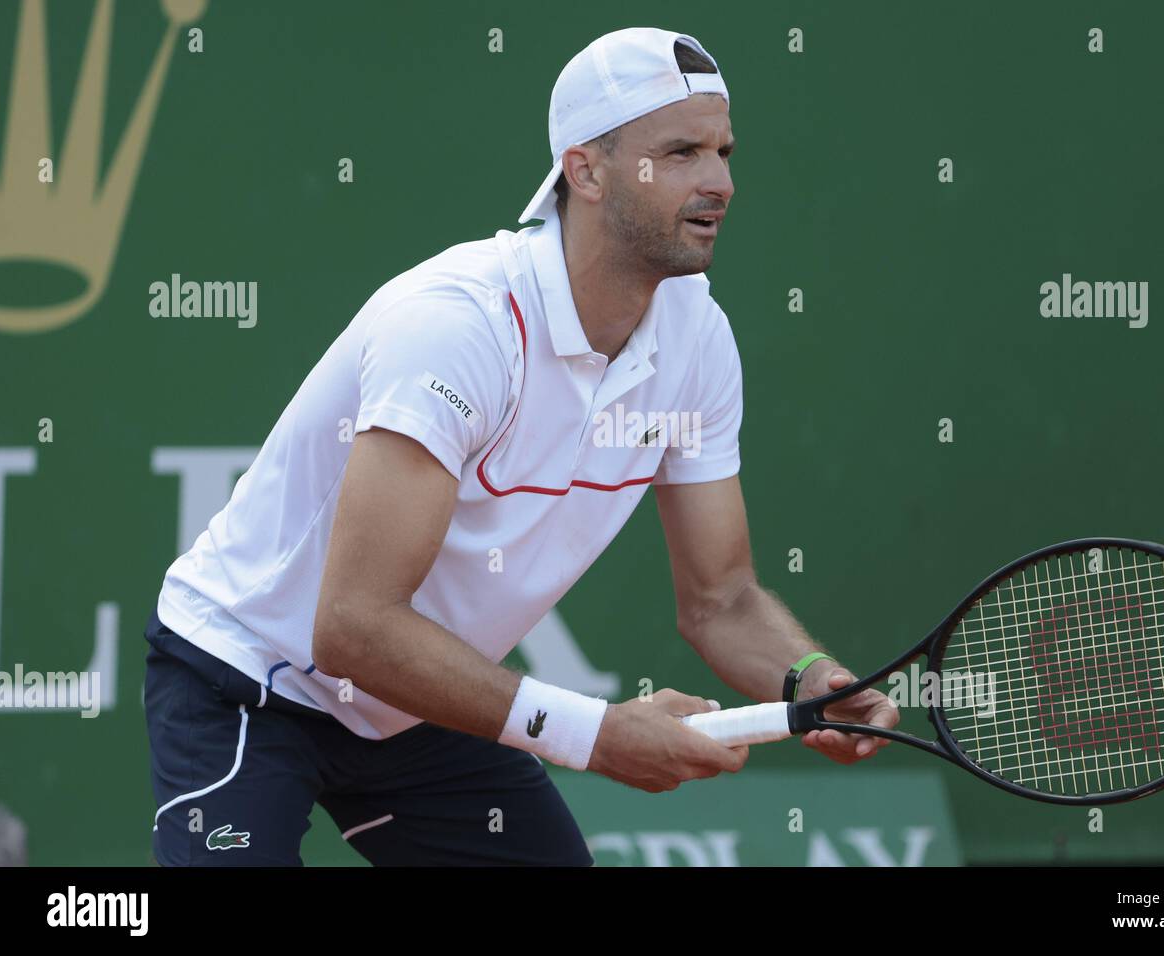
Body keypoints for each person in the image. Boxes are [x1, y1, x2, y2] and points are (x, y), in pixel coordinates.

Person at [143, 26, 898, 867]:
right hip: (252, 679)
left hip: (419, 701)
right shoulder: (457, 324)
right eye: (680, 151)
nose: (719, 181)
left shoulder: (699, 342)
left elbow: (720, 599)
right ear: (585, 169)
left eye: (723, 150)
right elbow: (353, 628)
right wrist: (598, 735)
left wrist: (808, 681)